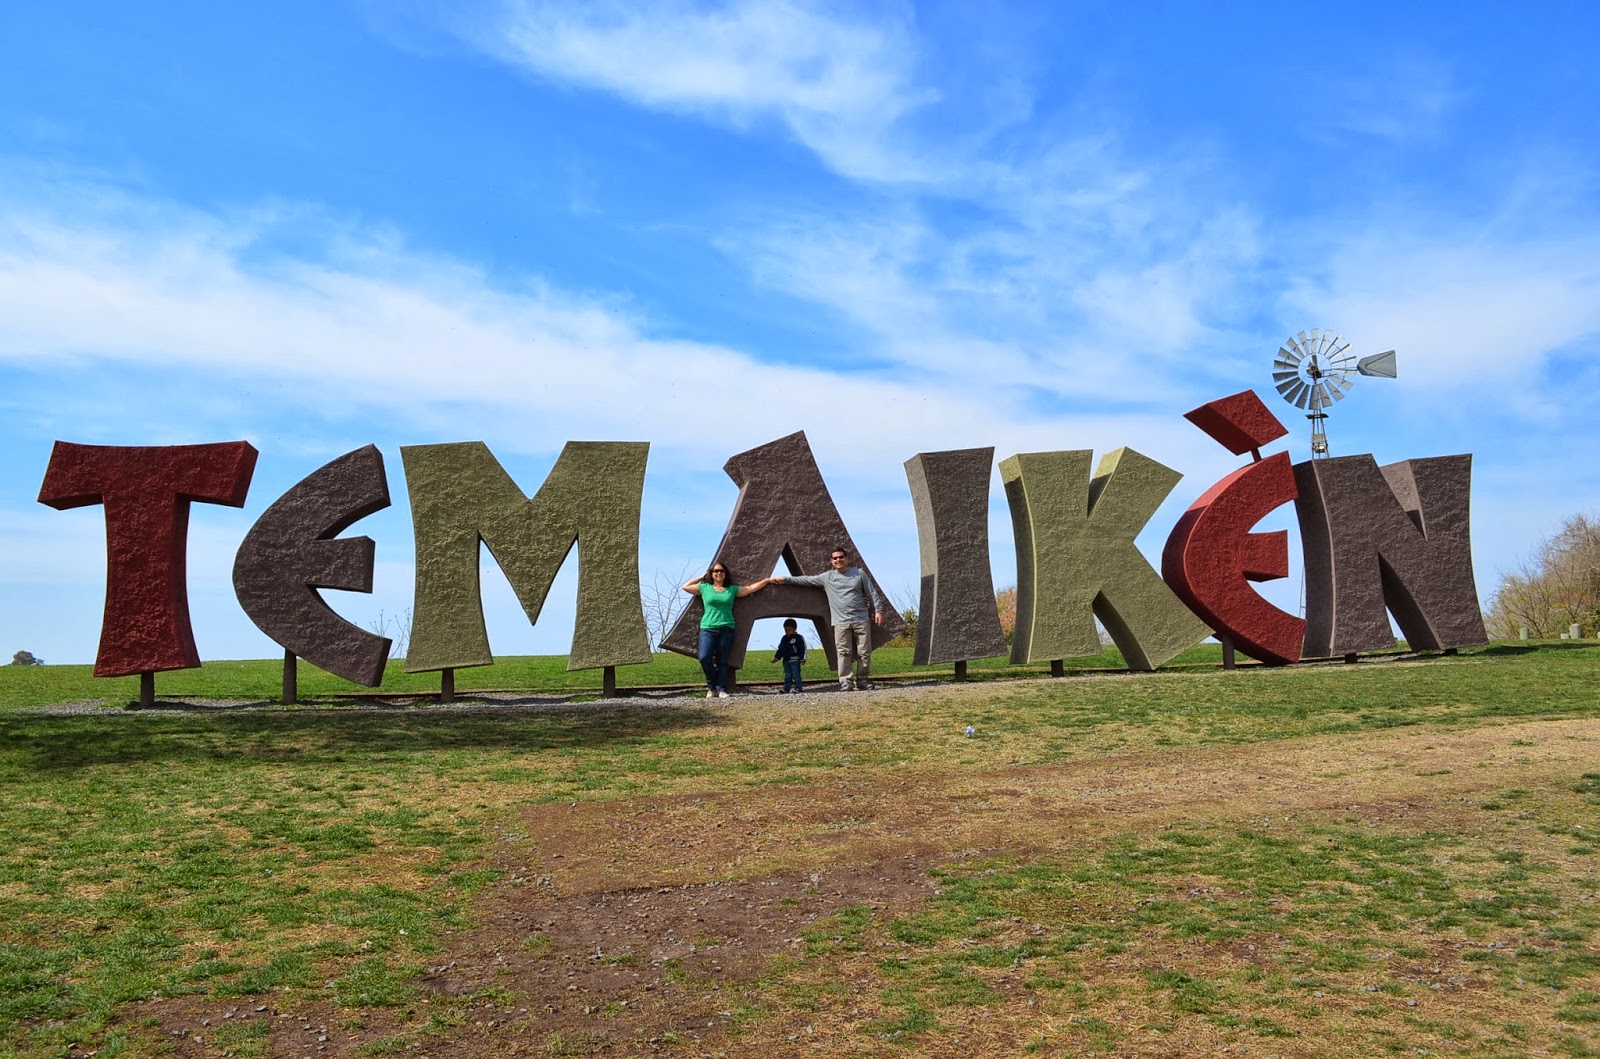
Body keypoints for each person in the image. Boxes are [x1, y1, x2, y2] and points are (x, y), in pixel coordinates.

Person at [772, 547, 884, 691]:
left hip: (861, 619)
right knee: (843, 652)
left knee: (864, 652)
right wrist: (786, 579)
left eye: (841, 557)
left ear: (846, 558)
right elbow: (807, 580)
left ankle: (862, 680)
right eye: (835, 558)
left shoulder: (859, 573)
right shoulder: (827, 577)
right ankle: (846, 682)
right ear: (831, 561)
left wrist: (878, 610)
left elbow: (872, 593)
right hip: (840, 621)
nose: (838, 560)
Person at [682, 563, 772, 699]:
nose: (719, 573)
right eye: (716, 571)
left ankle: (721, 689)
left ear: (725, 574)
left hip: (727, 628)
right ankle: (712, 687)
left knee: (722, 661)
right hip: (708, 628)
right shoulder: (704, 588)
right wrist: (702, 576)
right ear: (712, 574)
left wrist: (767, 581)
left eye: (722, 571)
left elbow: (749, 589)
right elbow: (685, 586)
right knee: (704, 658)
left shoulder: (731, 590)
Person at [772, 618, 807, 693]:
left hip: (795, 660)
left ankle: (798, 688)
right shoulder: (784, 639)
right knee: (788, 675)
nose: (787, 632)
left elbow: (803, 648)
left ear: (795, 629)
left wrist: (803, 658)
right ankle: (786, 688)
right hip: (786, 661)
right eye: (786, 630)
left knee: (796, 675)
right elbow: (781, 649)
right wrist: (777, 657)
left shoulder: (799, 638)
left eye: (789, 630)